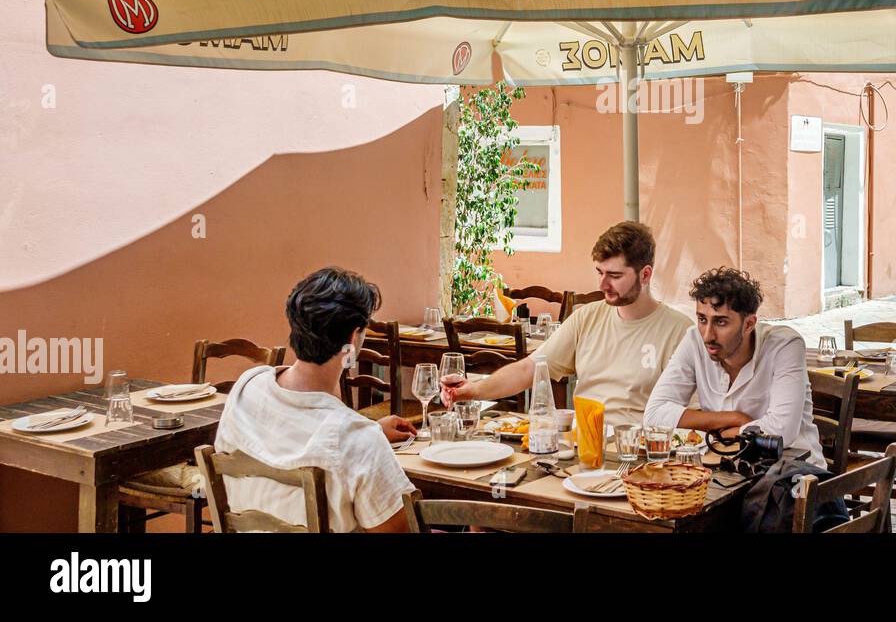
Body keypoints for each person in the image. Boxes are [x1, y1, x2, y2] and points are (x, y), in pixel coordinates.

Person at [214, 267, 417, 532]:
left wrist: (369, 430)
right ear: (353, 338)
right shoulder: (360, 442)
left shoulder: (248, 386)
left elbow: (295, 430)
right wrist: (366, 436)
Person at [442, 221, 692, 428]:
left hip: (639, 454)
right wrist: (472, 390)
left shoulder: (680, 331)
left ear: (645, 274)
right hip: (581, 446)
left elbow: (689, 413)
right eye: (600, 272)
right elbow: (528, 369)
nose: (602, 285)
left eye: (615, 276)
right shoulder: (587, 318)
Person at [643, 266, 825, 468]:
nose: (707, 335)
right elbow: (654, 416)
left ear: (749, 324)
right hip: (727, 471)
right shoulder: (694, 339)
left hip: (794, 474)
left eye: (720, 322)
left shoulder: (785, 345)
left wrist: (732, 432)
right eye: (702, 319)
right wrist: (735, 418)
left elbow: (783, 430)